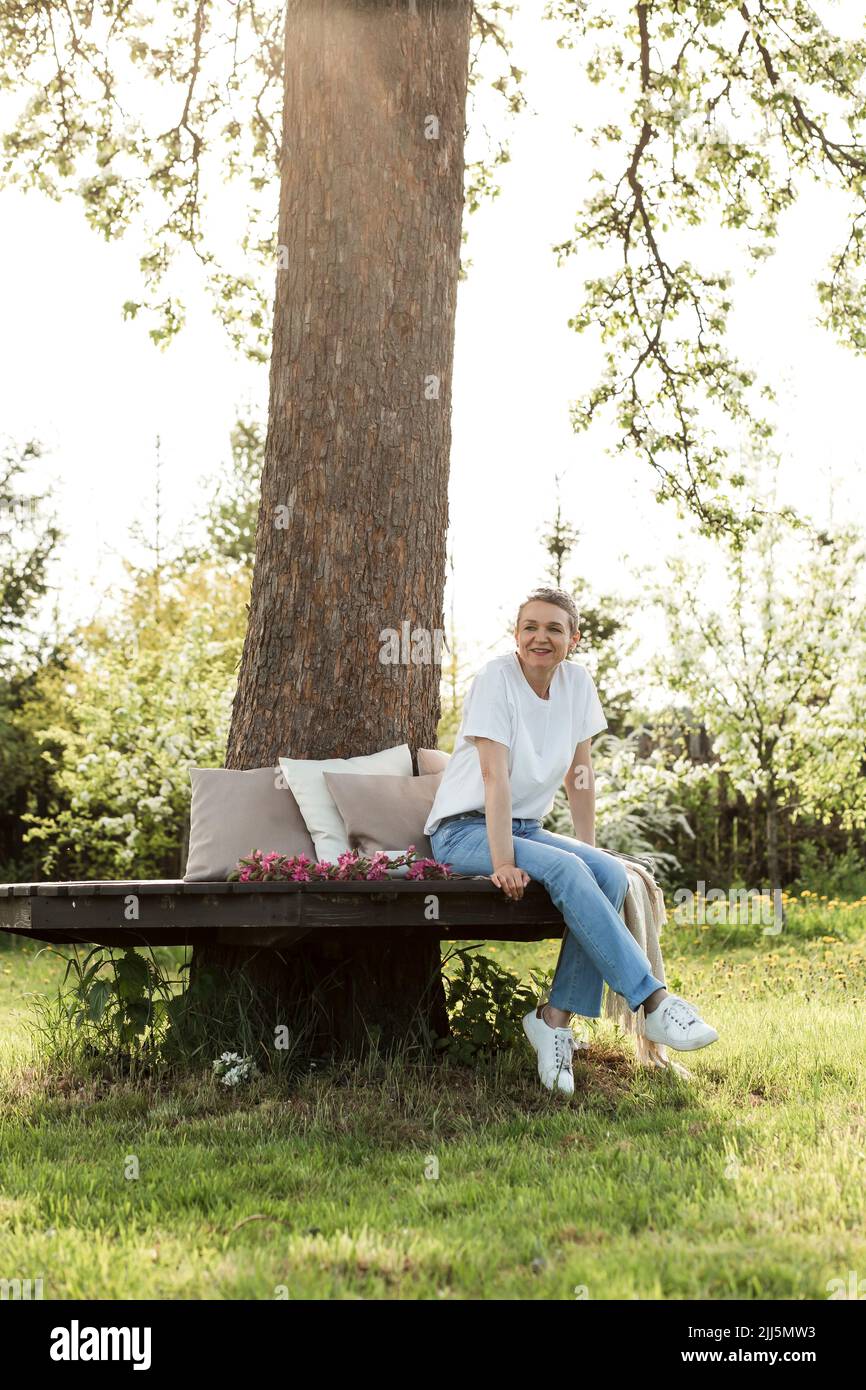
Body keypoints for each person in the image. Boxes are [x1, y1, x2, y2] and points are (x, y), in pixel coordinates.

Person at [424, 587, 718, 1095]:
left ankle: (553, 1021)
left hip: (527, 829)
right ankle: (653, 1002)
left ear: (573, 639)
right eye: (531, 627)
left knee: (607, 874)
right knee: (568, 871)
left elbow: (579, 774)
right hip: (464, 831)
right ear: (516, 636)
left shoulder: (577, 683)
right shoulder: (496, 679)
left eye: (554, 629)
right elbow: (494, 778)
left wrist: (590, 848)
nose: (541, 637)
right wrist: (501, 860)